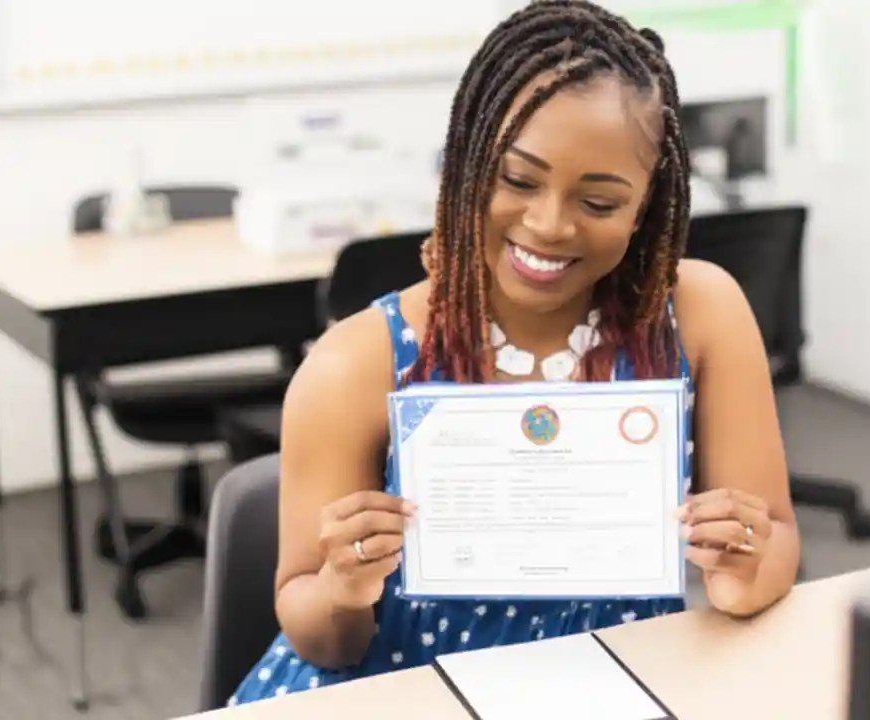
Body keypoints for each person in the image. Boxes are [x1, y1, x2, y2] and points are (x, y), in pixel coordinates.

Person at [230, 0, 800, 705]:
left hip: (607, 689)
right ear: (466, 164)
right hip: (394, 692)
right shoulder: (359, 362)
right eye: (518, 180)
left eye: (599, 203)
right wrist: (346, 590)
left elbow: (774, 538)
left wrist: (743, 568)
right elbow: (324, 641)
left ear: (647, 206)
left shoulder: (699, 315)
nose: (548, 224)